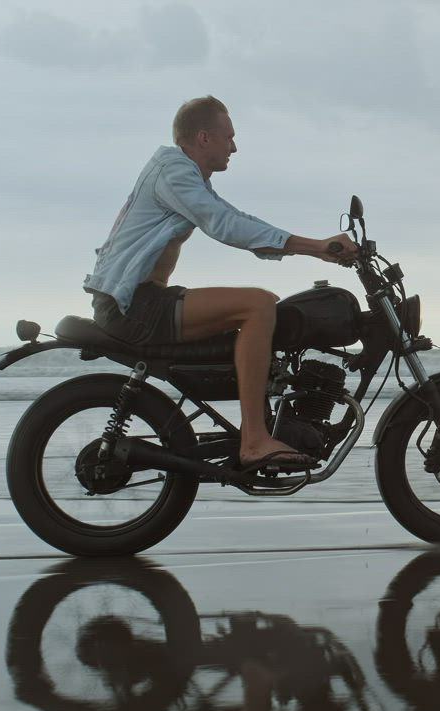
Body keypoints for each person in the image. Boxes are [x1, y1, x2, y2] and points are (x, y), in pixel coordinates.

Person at [83, 95, 356, 471]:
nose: (235, 146)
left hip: (142, 300)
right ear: (204, 137)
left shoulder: (184, 174)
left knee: (262, 312)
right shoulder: (174, 172)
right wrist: (314, 247)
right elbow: (224, 224)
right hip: (132, 306)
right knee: (258, 305)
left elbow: (231, 215)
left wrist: (310, 247)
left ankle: (267, 420)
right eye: (229, 137)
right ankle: (255, 440)